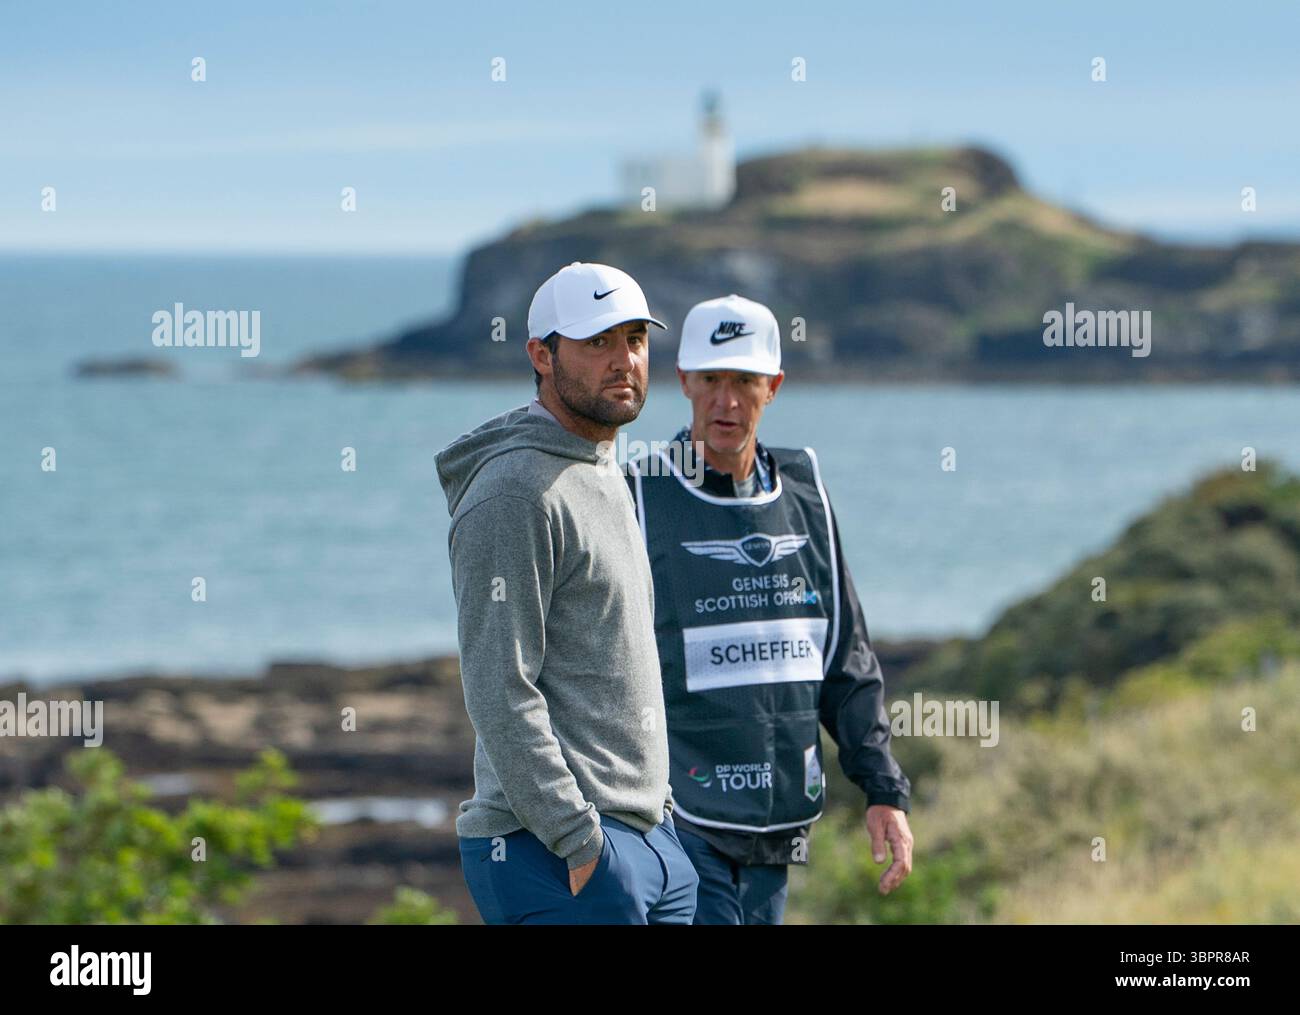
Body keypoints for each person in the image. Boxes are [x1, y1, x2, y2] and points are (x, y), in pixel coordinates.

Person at [626, 293, 914, 924]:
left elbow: (844, 657)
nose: (727, 402)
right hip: (680, 818)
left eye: (746, 382)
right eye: (712, 380)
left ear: (774, 386)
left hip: (779, 814)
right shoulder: (638, 494)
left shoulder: (805, 493)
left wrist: (882, 788)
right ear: (684, 383)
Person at [434, 261, 698, 924]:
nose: (624, 360)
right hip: (549, 851)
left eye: (635, 339)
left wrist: (661, 828)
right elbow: (499, 688)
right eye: (597, 342)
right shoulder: (513, 493)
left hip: (650, 841)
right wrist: (579, 839)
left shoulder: (602, 466)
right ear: (541, 355)